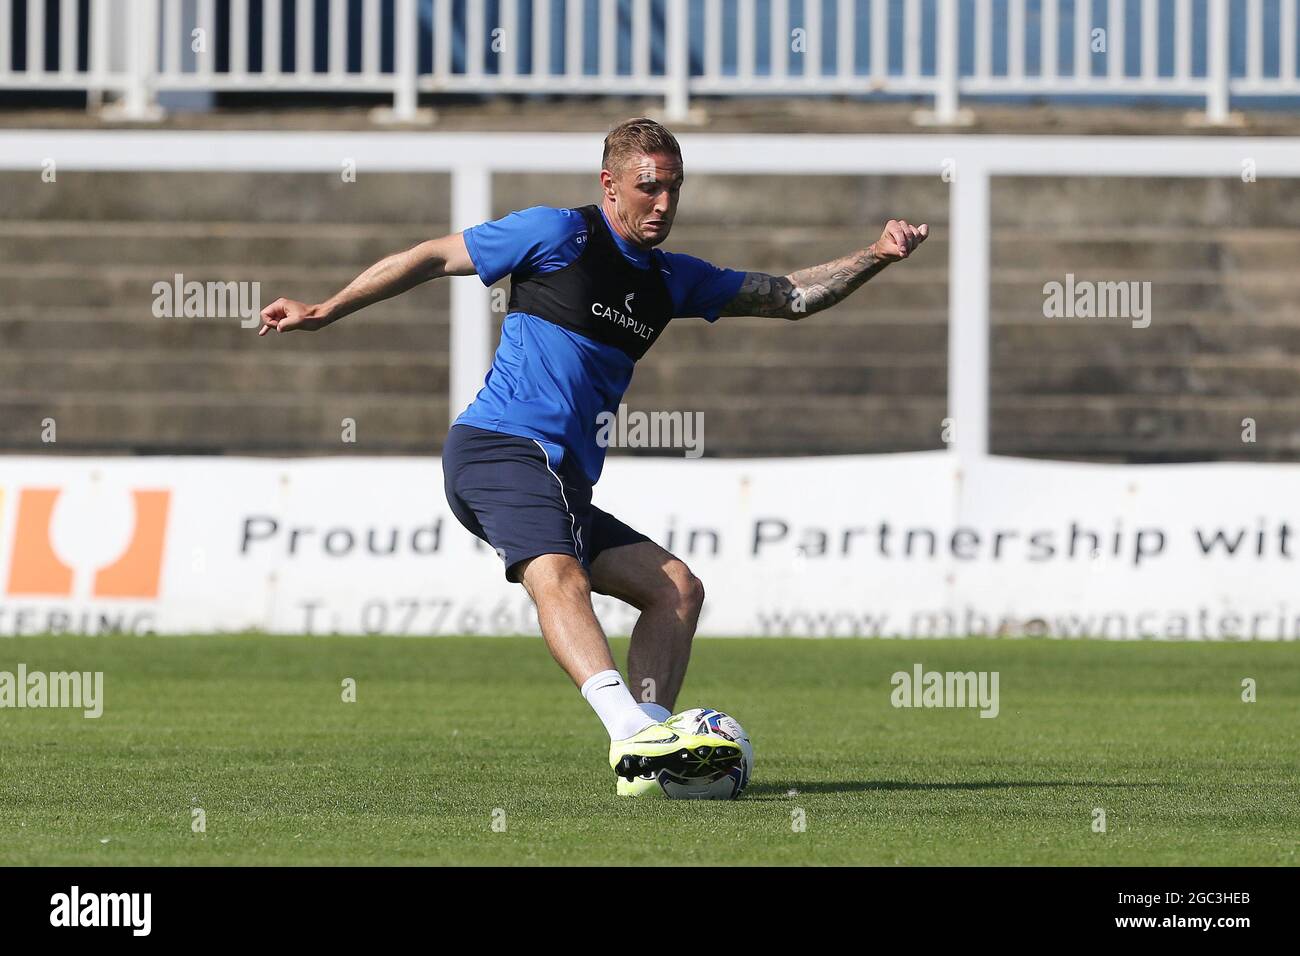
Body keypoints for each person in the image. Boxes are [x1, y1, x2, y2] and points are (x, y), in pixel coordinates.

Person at [257, 117, 929, 795]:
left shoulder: (672, 280)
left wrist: (874, 254)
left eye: (674, 189)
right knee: (557, 573)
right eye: (649, 187)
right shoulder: (556, 234)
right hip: (499, 448)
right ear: (610, 185)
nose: (663, 203)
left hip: (561, 482)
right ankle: (629, 732)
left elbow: (788, 297)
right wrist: (326, 309)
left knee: (675, 589)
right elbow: (432, 256)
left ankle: (651, 748)